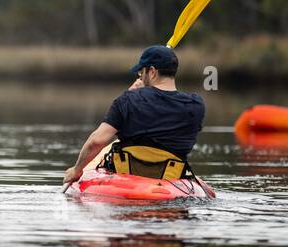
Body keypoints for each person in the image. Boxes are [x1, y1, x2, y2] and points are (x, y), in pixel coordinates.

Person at [63, 45, 205, 187]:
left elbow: (96, 142)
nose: (140, 76)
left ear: (152, 72)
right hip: (170, 180)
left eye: (141, 72)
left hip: (126, 180)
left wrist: (76, 170)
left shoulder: (127, 100)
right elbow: (162, 114)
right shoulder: (195, 104)